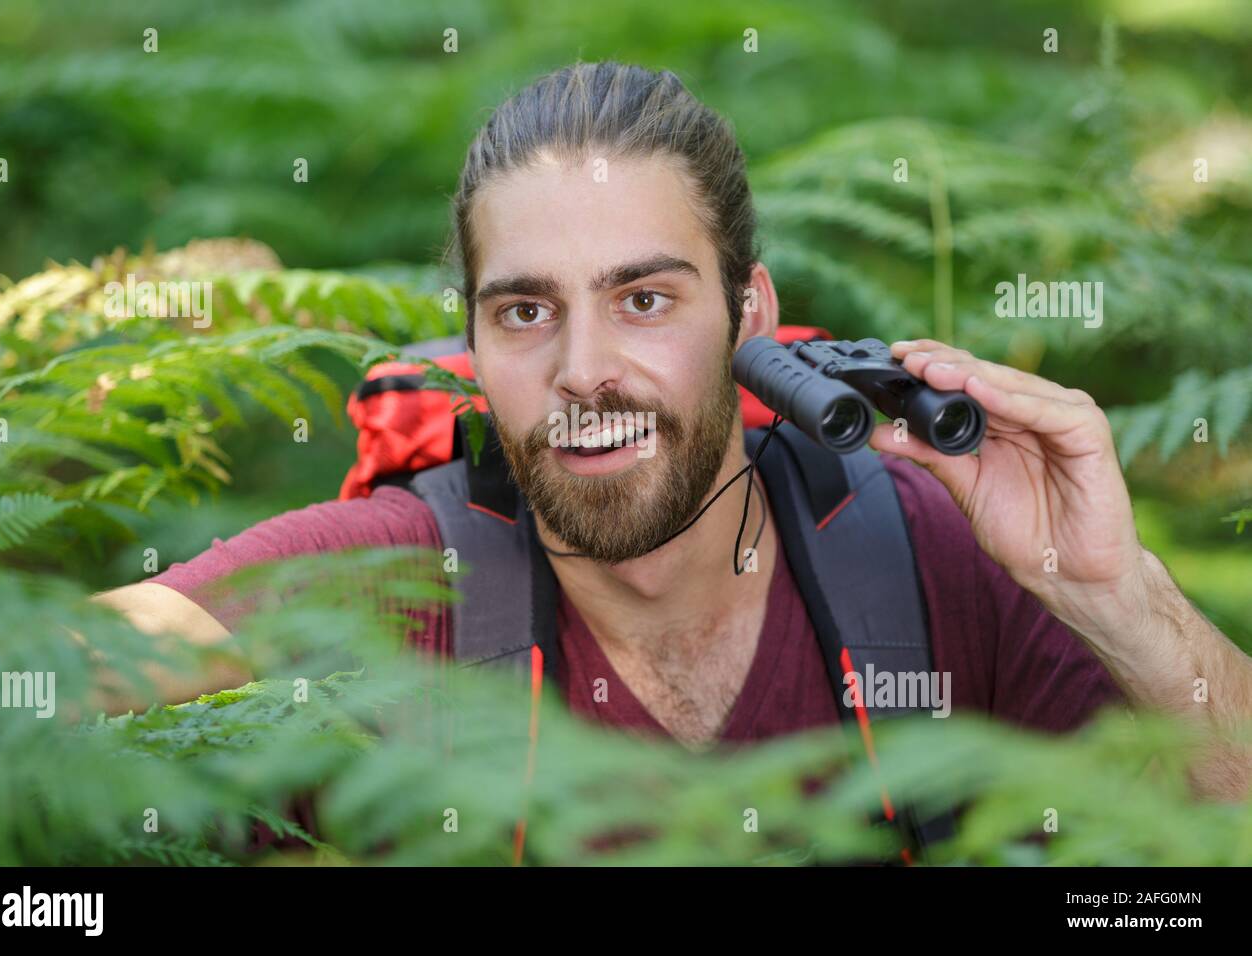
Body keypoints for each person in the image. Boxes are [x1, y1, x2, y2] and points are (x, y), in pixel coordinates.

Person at [93, 61, 1251, 802]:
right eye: (526, 310)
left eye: (643, 299)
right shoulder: (400, 578)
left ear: (747, 315)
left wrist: (1113, 594)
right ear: (473, 349)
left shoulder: (926, 557)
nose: (584, 369)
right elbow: (26, 671)